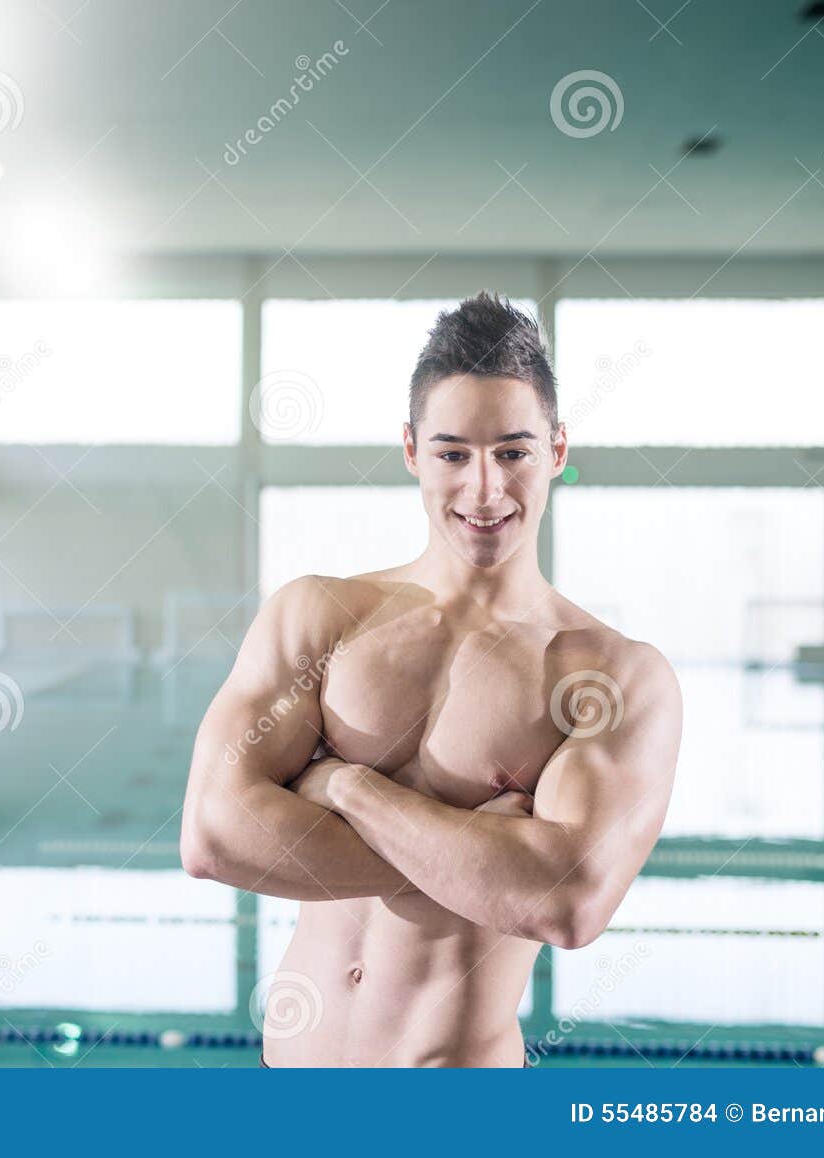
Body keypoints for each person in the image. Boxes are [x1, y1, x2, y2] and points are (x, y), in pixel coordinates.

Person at [180, 293, 682, 1067]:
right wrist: (490, 855)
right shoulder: (320, 616)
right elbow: (212, 835)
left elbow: (568, 904)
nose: (484, 491)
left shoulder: (611, 674)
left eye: (513, 452)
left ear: (556, 449)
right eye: (454, 453)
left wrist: (347, 789)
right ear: (412, 451)